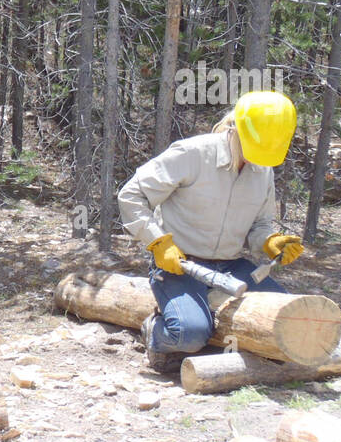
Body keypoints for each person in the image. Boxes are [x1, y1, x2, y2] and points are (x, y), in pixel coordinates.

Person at [117, 91, 306, 372]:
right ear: (236, 129)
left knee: (289, 320)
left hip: (231, 266)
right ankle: (155, 330)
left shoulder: (263, 169)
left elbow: (260, 224)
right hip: (180, 265)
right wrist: (157, 242)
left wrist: (270, 242)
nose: (257, 160)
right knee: (189, 334)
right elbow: (132, 195)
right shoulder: (192, 154)